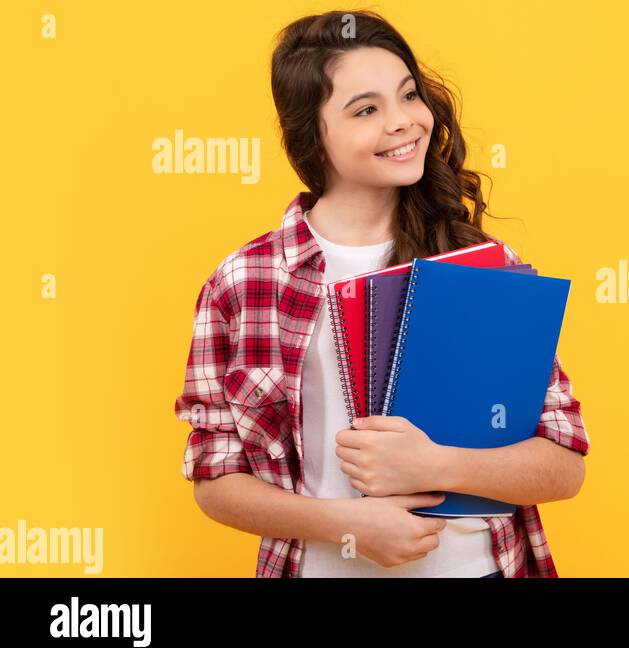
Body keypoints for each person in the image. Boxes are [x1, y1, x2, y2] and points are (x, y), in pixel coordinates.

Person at [173, 10, 589, 578]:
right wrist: (345, 524)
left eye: (409, 95)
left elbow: (564, 465)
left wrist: (435, 464)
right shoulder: (244, 280)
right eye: (366, 109)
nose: (404, 122)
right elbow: (214, 479)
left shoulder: (485, 268)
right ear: (311, 136)